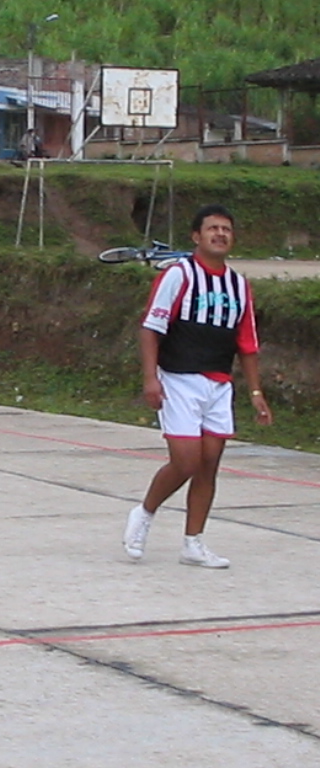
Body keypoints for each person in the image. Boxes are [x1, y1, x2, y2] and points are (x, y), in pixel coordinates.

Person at [123, 204, 272, 568]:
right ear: (196, 236)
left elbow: (247, 344)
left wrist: (255, 393)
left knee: (209, 464)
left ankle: (194, 542)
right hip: (179, 379)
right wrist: (150, 378)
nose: (220, 234)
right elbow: (151, 328)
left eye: (226, 229)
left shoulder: (239, 285)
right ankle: (144, 513)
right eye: (213, 228)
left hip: (218, 385)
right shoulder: (180, 275)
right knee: (186, 460)